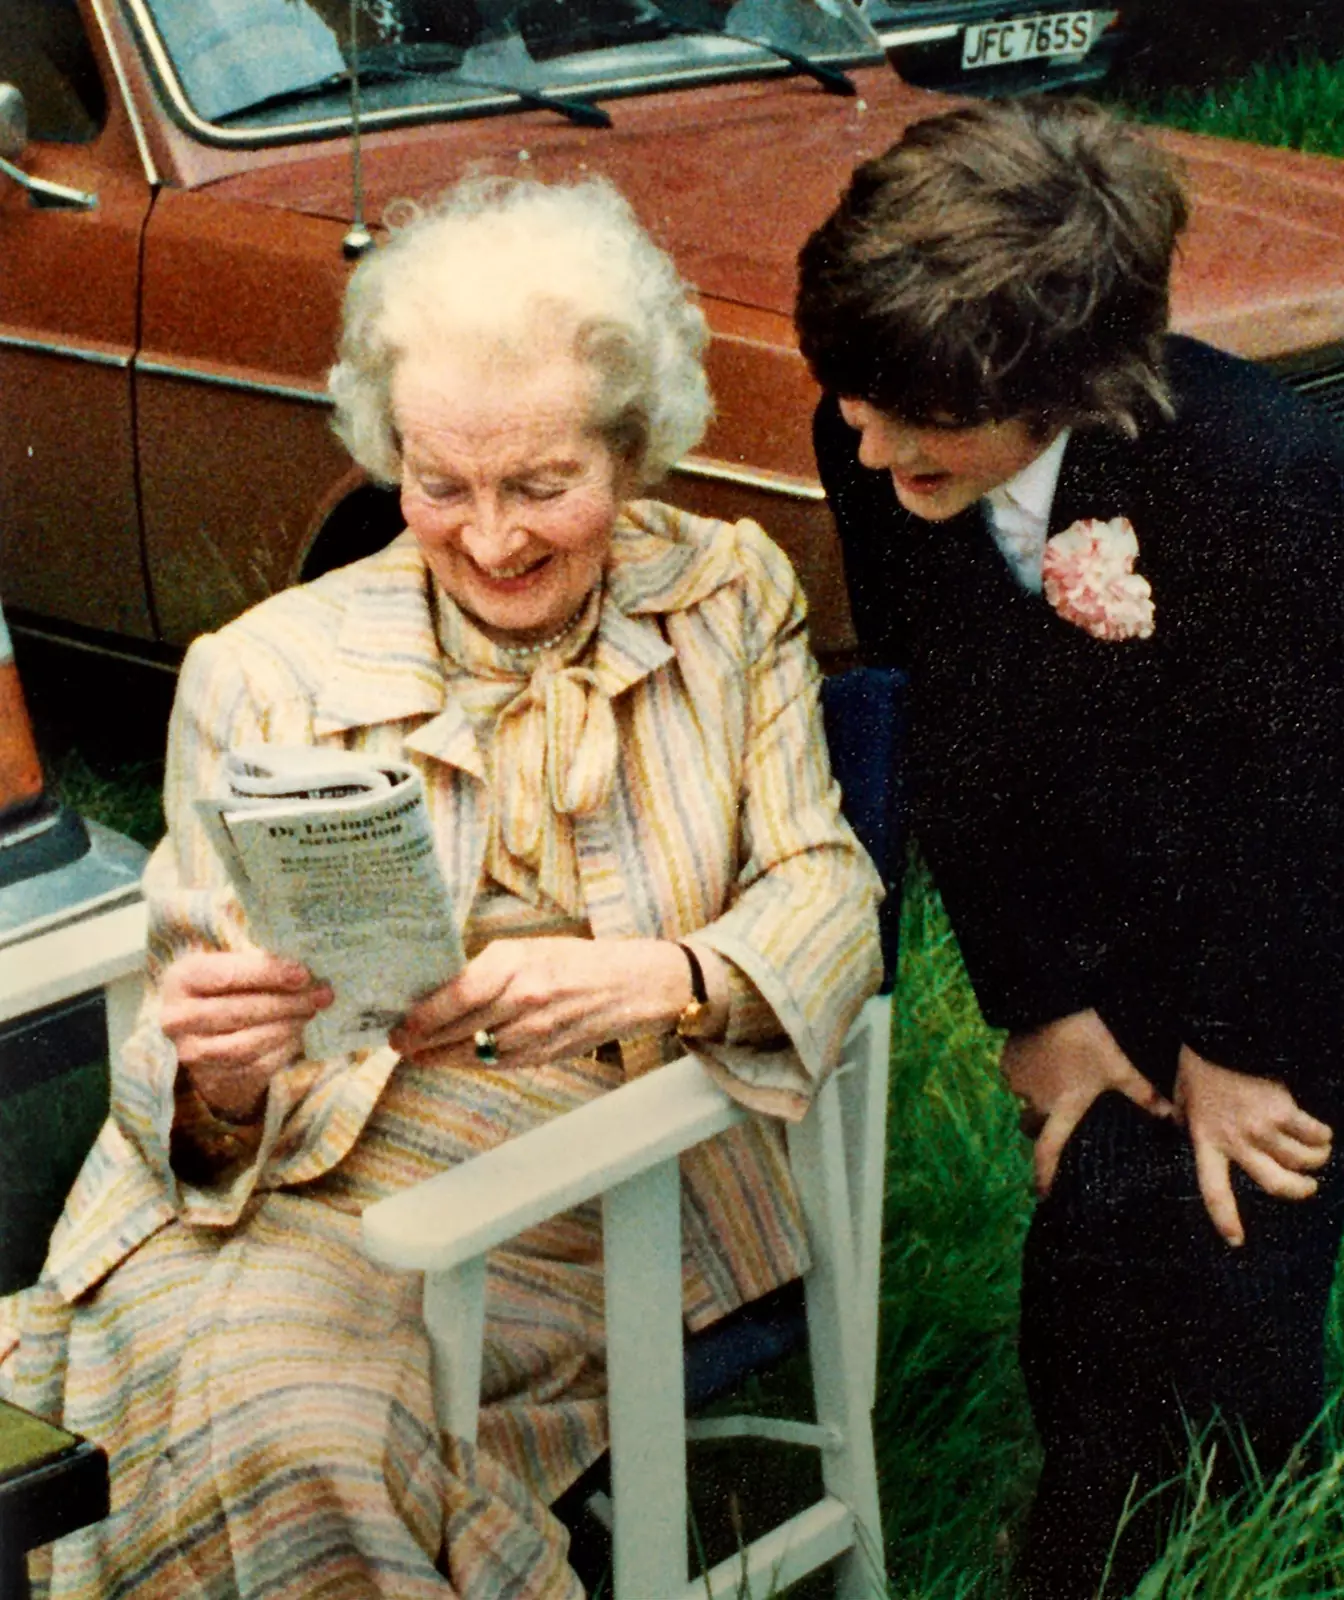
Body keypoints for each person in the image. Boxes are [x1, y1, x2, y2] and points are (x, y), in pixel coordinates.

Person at [0, 174, 882, 1599]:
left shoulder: (729, 593)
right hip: (274, 1179)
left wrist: (669, 976)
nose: (489, 538)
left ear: (634, 444)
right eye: (438, 484)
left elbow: (826, 886)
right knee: (229, 1390)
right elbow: (190, 1058)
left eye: (545, 484)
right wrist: (219, 1080)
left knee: (277, 1417)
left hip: (609, 1158)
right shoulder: (265, 667)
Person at [795, 97, 1344, 1598]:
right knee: (1097, 1186)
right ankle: (1084, 1491)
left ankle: (1229, 1505)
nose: (870, 442)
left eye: (914, 419)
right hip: (1098, 846)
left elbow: (1310, 795)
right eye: (854, 400)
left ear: (1073, 383)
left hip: (1321, 889)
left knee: (1240, 1211)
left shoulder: (1254, 476)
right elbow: (947, 714)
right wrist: (1044, 1003)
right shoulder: (885, 417)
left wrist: (1238, 1042)